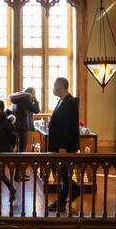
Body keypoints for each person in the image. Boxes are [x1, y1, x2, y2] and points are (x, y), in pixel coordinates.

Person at [46, 76, 80, 213]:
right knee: (61, 173)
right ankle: (75, 189)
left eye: (54, 86)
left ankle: (60, 203)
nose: (53, 89)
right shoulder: (62, 101)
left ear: (60, 86)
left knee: (62, 174)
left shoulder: (70, 102)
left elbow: (69, 127)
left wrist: (63, 146)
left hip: (63, 146)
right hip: (57, 144)